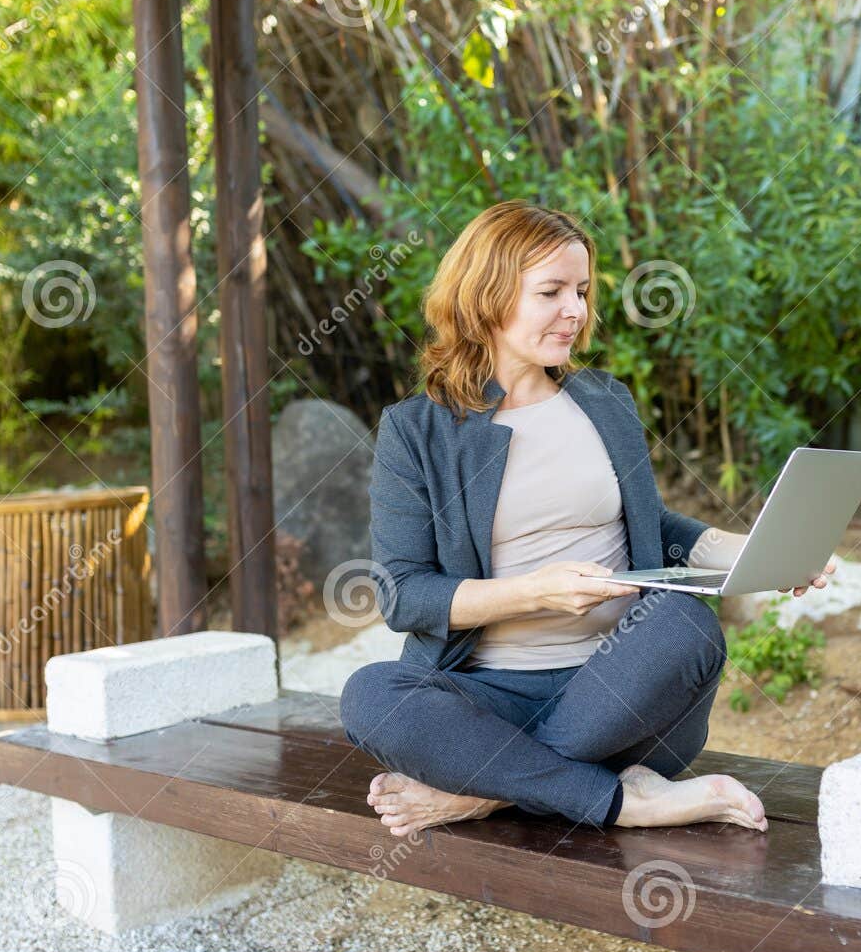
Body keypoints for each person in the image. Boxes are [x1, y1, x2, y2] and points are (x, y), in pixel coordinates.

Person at [340, 200, 835, 837]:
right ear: (485, 295)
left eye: (580, 290)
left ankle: (488, 792)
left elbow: (654, 527)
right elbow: (403, 595)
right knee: (370, 697)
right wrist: (533, 594)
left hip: (621, 696)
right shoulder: (417, 430)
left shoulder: (604, 401)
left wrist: (757, 553)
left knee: (685, 624)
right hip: (491, 695)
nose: (575, 311)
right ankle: (626, 801)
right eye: (551, 292)